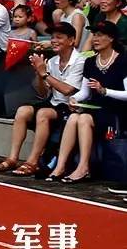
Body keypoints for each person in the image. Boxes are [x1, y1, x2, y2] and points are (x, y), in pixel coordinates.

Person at [0, 22, 84, 177]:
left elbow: (68, 90)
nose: (54, 41)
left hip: (71, 106)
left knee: (43, 113)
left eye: (59, 37)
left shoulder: (80, 61)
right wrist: (38, 73)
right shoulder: (52, 61)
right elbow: (43, 93)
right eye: (52, 37)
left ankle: (33, 161)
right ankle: (13, 157)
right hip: (53, 103)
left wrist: (44, 74)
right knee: (22, 111)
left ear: (71, 40)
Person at [49, 21, 127, 183]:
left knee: (83, 118)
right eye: (94, 35)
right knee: (74, 117)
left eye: (100, 35)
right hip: (96, 109)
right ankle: (61, 166)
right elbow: (84, 92)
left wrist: (105, 91)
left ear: (111, 38)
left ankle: (83, 167)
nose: (95, 39)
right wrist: (74, 99)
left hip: (116, 111)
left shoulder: (122, 61)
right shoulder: (90, 61)